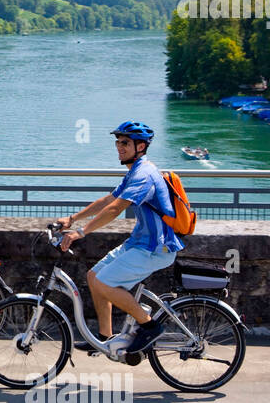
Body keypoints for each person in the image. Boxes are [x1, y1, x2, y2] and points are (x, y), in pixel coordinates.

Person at [56, 121, 183, 355]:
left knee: (106, 283)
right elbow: (108, 200)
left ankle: (149, 325)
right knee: (94, 277)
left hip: (156, 249)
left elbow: (115, 210)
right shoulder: (135, 171)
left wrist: (80, 233)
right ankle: (105, 338)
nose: (119, 147)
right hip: (139, 243)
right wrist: (72, 218)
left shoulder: (144, 175)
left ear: (141, 146)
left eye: (125, 143)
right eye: (118, 142)